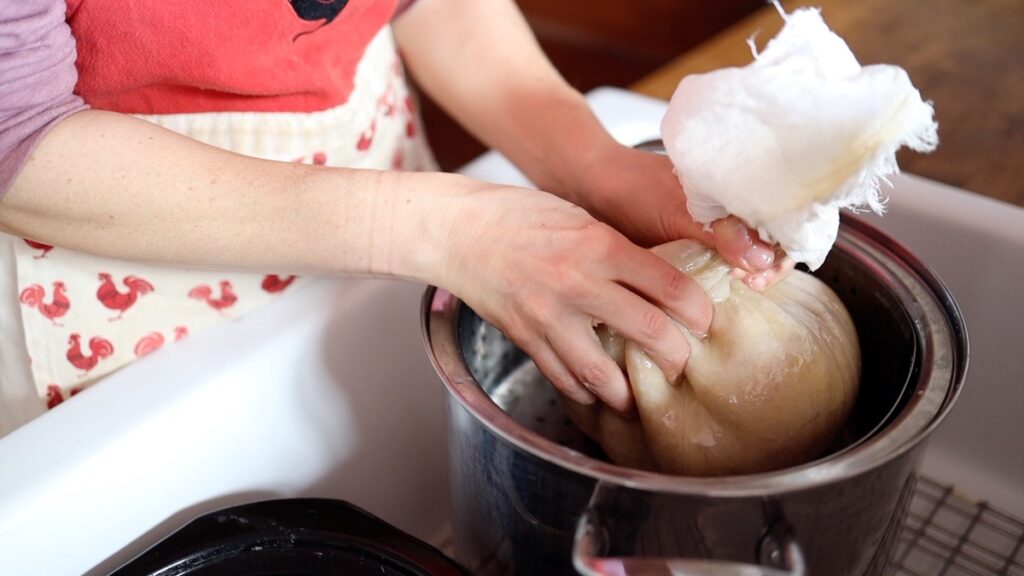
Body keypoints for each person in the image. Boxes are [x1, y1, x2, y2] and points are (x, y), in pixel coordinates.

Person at [0, 0, 781, 436]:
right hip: (110, 274)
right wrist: (442, 232)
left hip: (387, 189)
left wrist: (592, 164)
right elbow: (18, 135)